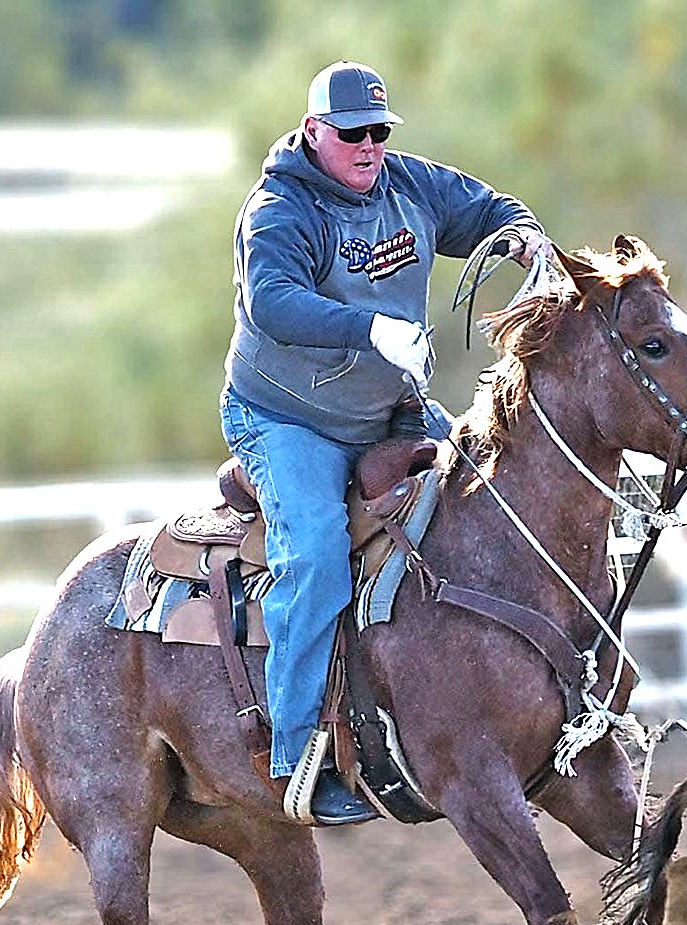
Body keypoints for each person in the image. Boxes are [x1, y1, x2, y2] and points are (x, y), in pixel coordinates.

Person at [222, 60, 547, 825]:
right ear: (314, 132)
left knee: (500, 493)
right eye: (352, 133)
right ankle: (295, 759)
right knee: (313, 553)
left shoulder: (409, 185)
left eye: (378, 131)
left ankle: (521, 704)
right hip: (286, 418)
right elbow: (271, 301)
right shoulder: (279, 210)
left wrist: (526, 241)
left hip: (386, 409)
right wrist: (369, 328)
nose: (368, 146)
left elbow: (491, 209)